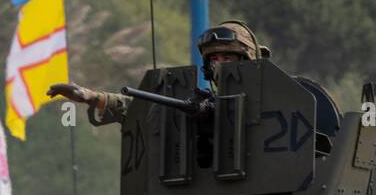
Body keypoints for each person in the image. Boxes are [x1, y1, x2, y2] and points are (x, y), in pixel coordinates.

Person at [47, 21, 268, 127]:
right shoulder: (205, 103)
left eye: (227, 58)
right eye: (214, 60)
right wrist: (93, 97)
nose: (220, 66)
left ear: (246, 59)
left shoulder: (275, 98)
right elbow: (150, 110)